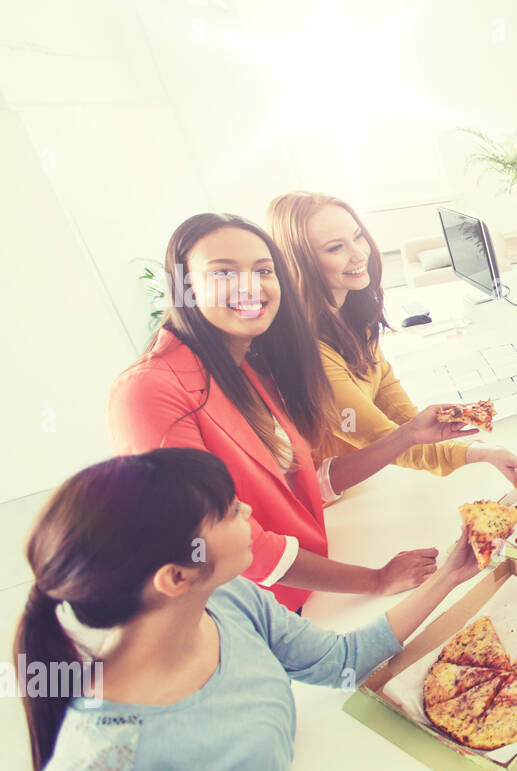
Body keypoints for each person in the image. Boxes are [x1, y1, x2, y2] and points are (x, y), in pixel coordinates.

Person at [17, 448, 481, 771]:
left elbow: (340, 662)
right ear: (176, 577)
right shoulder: (104, 761)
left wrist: (450, 576)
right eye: (228, 511)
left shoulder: (227, 598)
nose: (248, 512)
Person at [108, 213, 469, 611]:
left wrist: (409, 434)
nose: (251, 286)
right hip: (253, 611)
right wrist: (375, 580)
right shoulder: (146, 391)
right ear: (184, 286)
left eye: (263, 270)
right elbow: (218, 538)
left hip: (308, 580)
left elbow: (305, 484)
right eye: (224, 273)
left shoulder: (248, 365)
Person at [267, 191, 517, 484]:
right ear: (302, 262)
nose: (358, 254)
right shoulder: (312, 358)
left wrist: (476, 448)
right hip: (336, 500)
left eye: (358, 236)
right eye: (334, 248)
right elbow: (386, 441)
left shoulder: (350, 316)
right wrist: (480, 454)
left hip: (369, 480)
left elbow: (398, 410)